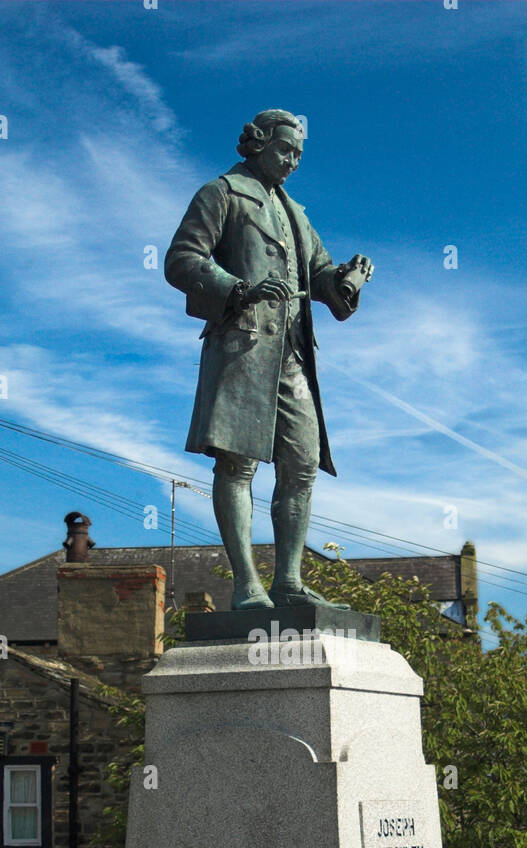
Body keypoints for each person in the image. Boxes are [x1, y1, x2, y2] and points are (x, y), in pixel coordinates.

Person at [165, 109, 373, 610]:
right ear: (257, 144)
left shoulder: (297, 213)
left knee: (302, 464)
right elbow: (182, 260)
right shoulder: (221, 193)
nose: (293, 162)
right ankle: (247, 587)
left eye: (300, 155)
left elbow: (319, 276)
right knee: (237, 466)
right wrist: (239, 288)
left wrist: (345, 280)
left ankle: (287, 581)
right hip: (242, 345)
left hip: (293, 354)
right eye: (286, 151)